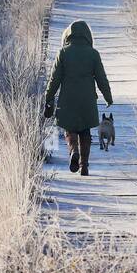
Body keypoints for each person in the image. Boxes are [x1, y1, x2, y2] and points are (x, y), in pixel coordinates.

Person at [43, 19, 112, 176]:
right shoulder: (93, 54)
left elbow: (54, 79)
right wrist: (108, 97)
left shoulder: (63, 53)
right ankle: (84, 165)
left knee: (70, 129)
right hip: (87, 100)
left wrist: (49, 97)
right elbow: (101, 78)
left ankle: (74, 150)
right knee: (85, 131)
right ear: (88, 36)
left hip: (68, 99)